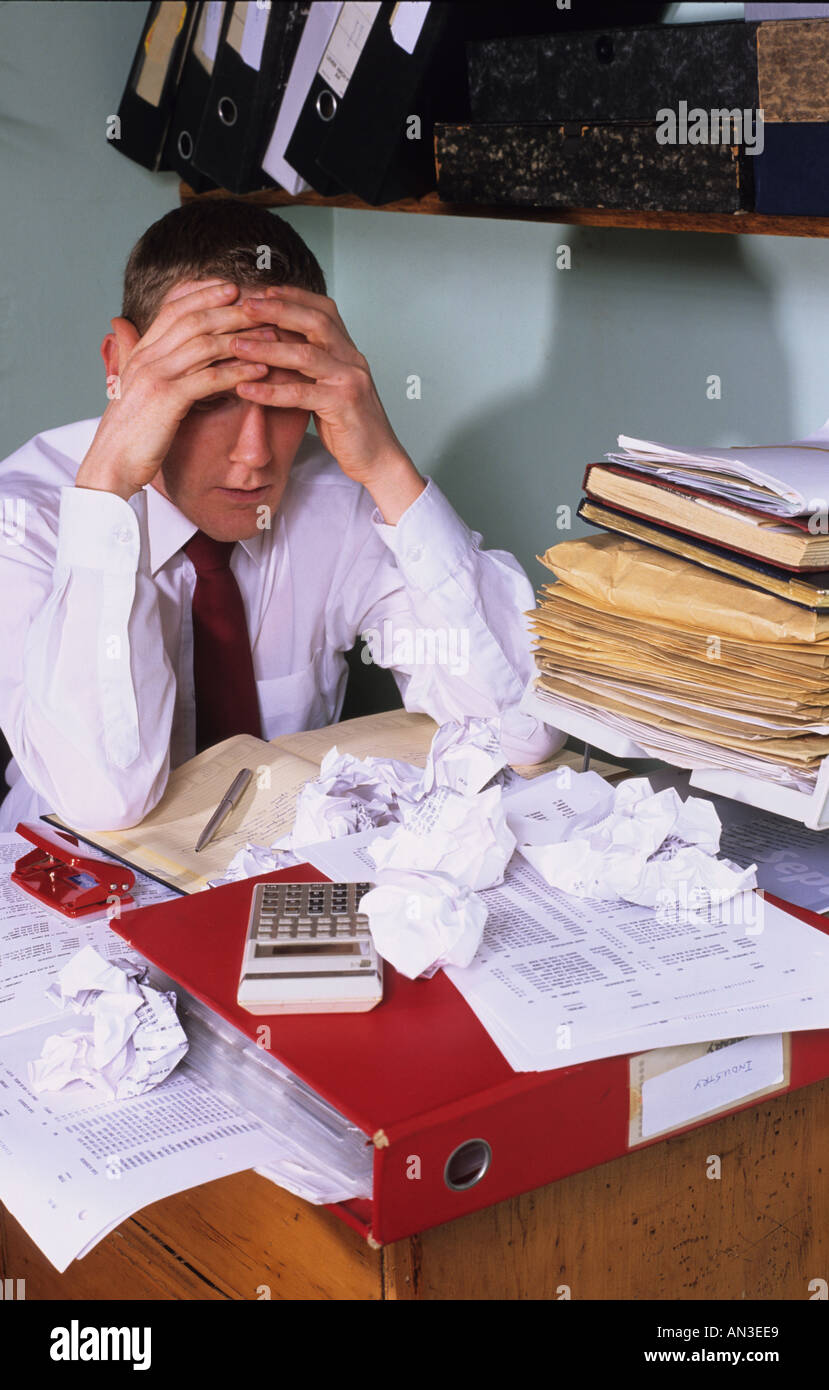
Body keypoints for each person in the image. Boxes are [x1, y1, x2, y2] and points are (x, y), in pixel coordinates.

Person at [0, 200, 561, 832]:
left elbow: (521, 731)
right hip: (64, 895)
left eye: (288, 394)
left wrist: (388, 469)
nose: (255, 455)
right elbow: (103, 801)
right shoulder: (23, 521)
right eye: (209, 397)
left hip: (277, 880)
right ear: (120, 368)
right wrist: (106, 490)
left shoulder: (334, 499)